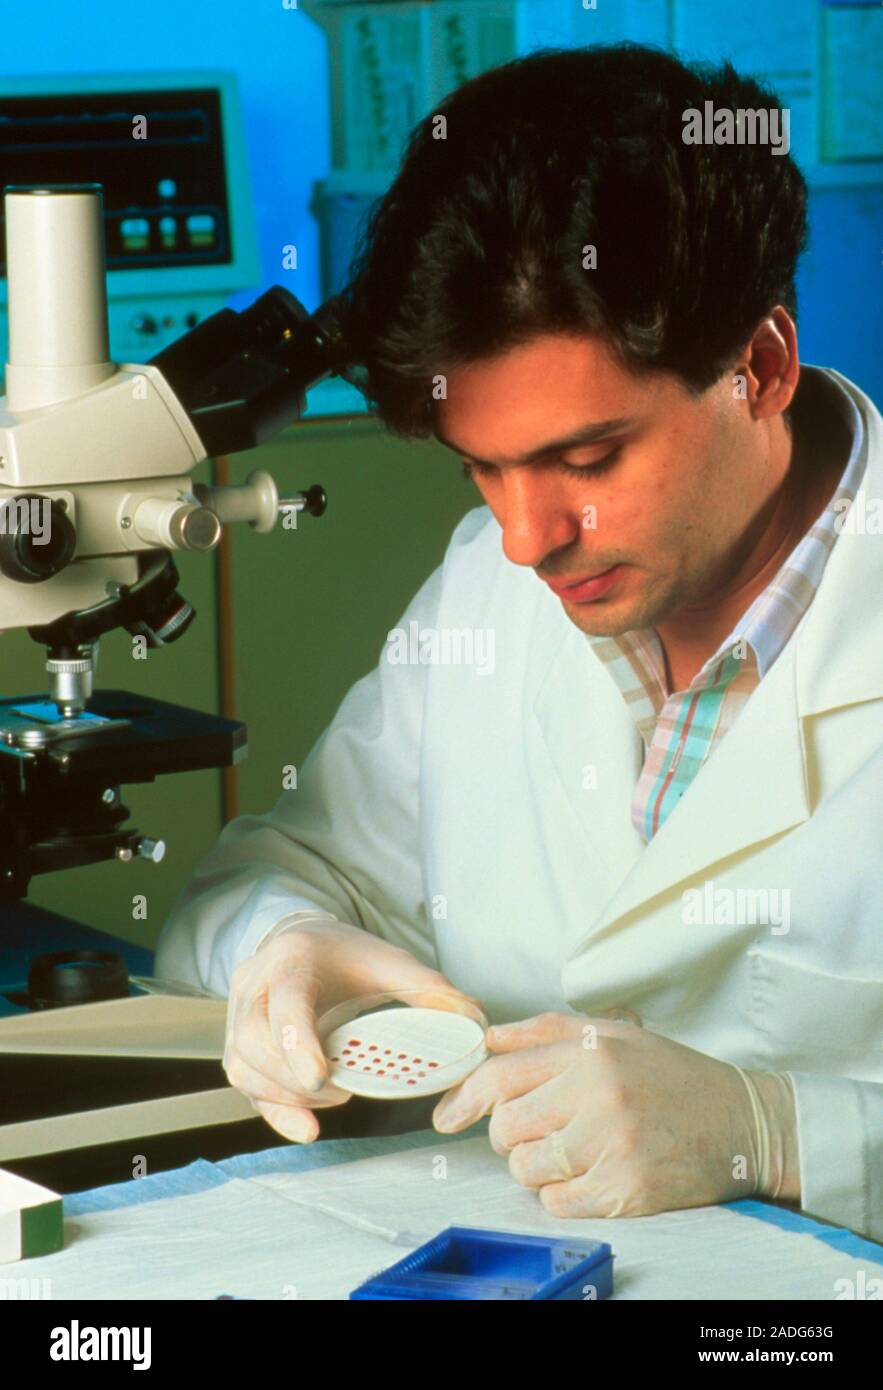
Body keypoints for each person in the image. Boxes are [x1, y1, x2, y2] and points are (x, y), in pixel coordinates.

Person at [156, 44, 882, 1239]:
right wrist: (282, 947)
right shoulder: (487, 597)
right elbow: (262, 879)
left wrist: (779, 1129)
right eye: (481, 468)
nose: (525, 536)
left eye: (585, 460)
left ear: (756, 367)